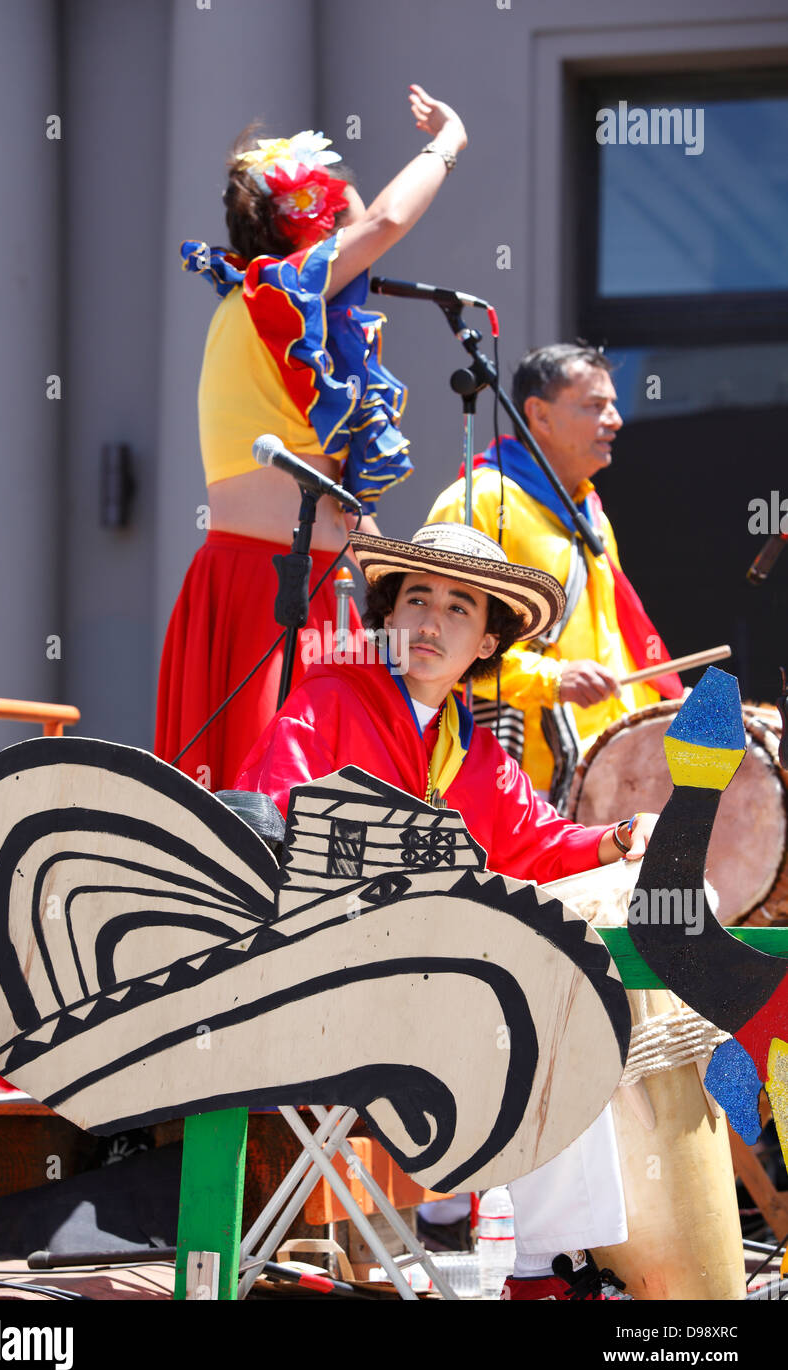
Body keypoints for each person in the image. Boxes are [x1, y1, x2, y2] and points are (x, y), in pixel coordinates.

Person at [237, 521, 657, 1300]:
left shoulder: (476, 750)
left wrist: (621, 838)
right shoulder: (325, 701)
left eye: (459, 608)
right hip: (319, 998)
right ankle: (532, 1265)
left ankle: (547, 1273)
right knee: (535, 1011)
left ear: (488, 640)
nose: (430, 623)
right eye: (416, 599)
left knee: (568, 1022)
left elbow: (539, 841)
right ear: (389, 617)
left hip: (429, 1006)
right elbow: (269, 828)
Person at [155, 84, 468, 791]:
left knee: (325, 809)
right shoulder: (277, 293)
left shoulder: (278, 318)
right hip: (264, 591)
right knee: (262, 813)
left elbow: (329, 499)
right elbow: (386, 218)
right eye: (335, 200)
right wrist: (448, 142)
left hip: (308, 588)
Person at [426, 344, 683, 795]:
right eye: (595, 406)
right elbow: (434, 640)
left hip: (599, 765)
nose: (616, 420)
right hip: (517, 776)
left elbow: (613, 640)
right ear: (539, 415)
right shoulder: (479, 500)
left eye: (614, 405)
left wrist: (659, 709)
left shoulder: (591, 514)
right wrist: (551, 679)